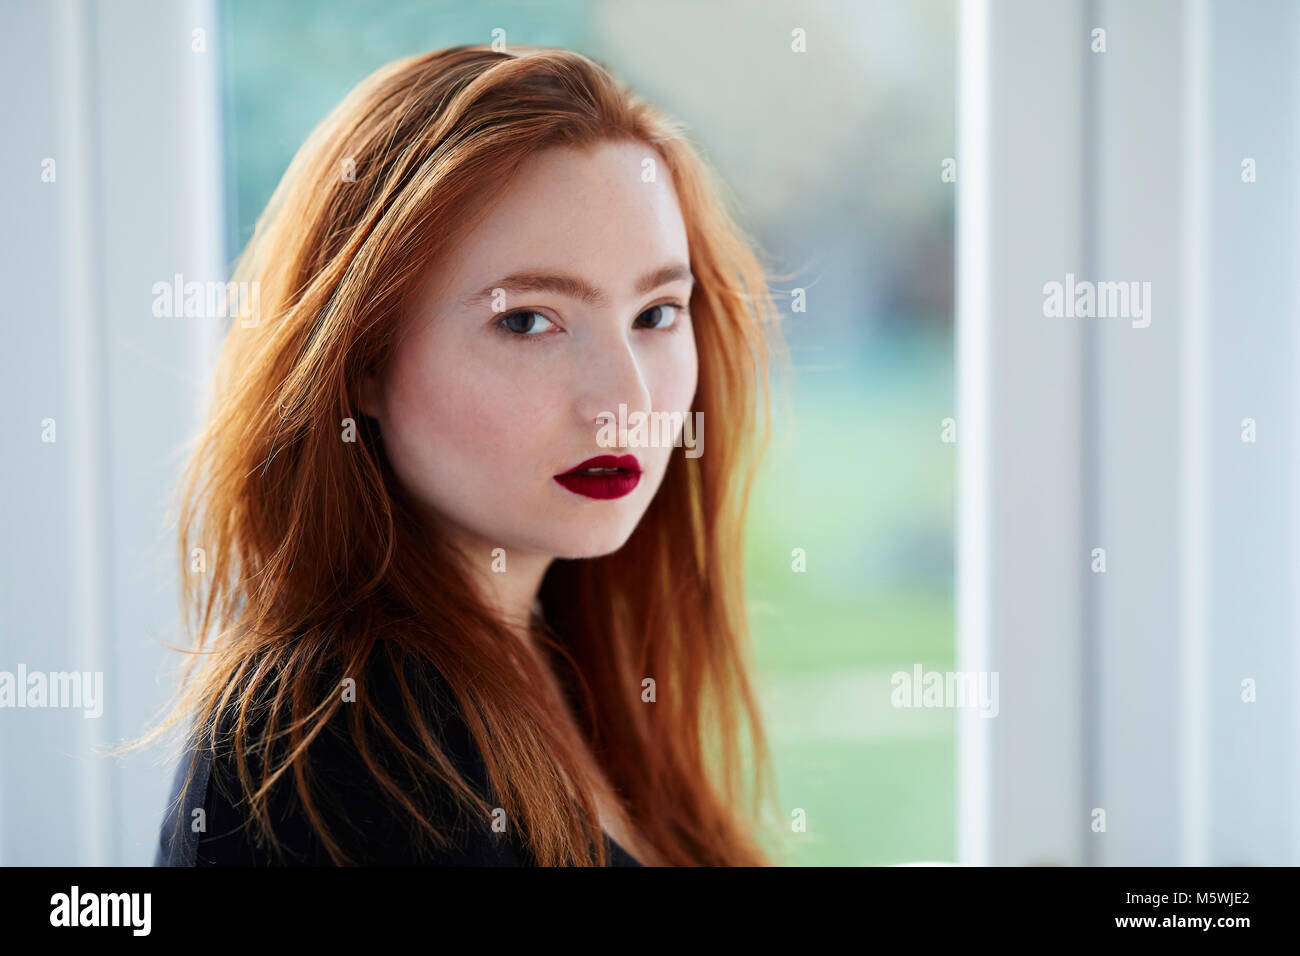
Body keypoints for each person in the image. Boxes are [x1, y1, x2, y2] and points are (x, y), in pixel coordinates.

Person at [140, 43, 783, 866]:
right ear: (363, 362)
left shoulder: (568, 663)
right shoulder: (326, 744)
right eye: (526, 321)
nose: (624, 404)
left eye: (656, 314)